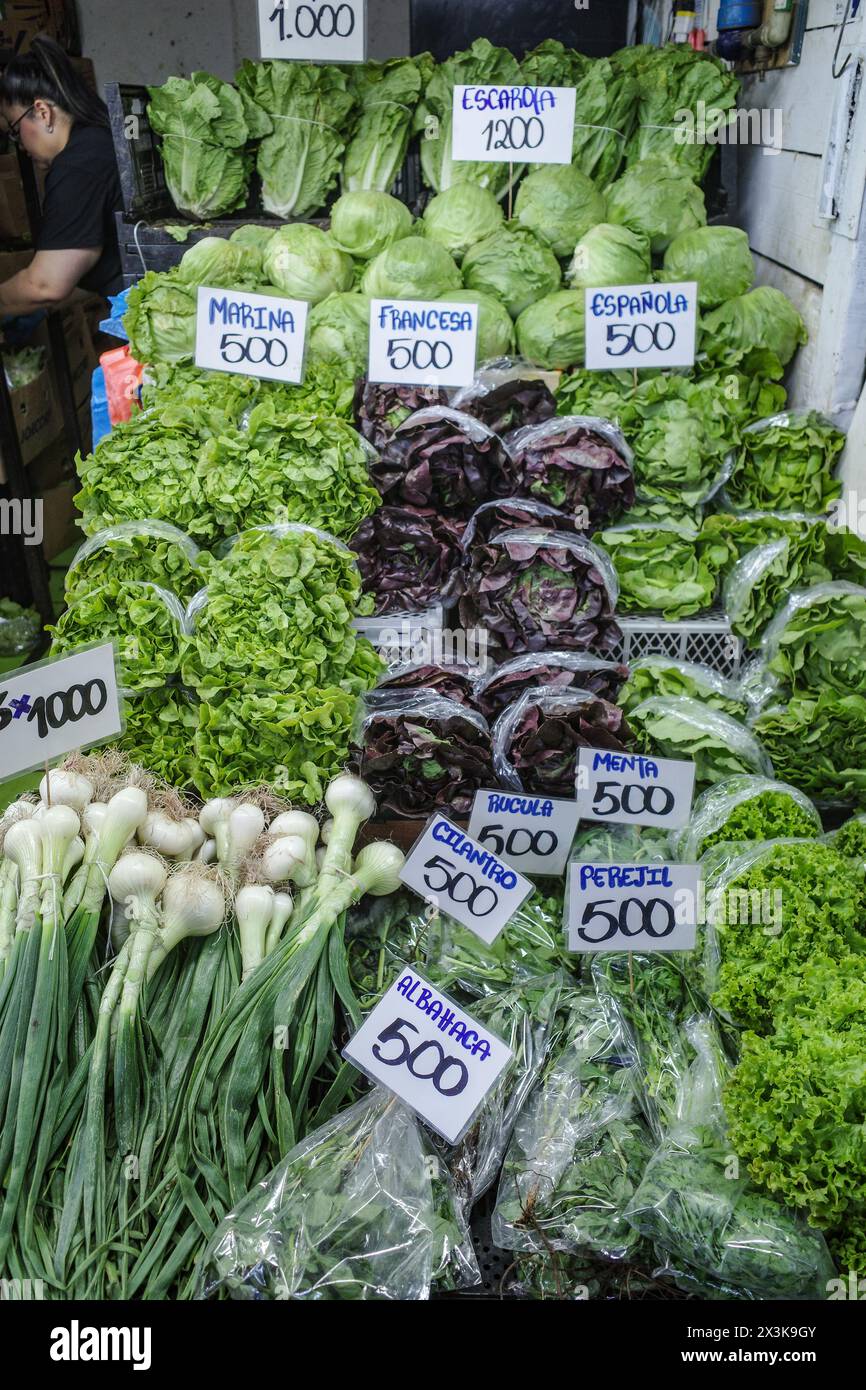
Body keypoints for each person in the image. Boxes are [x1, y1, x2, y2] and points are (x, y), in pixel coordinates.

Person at [0, 36, 122, 315]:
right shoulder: (100, 139)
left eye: (16, 130)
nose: (21, 145)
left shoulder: (76, 167)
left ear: (43, 112)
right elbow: (92, 261)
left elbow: (45, 285)